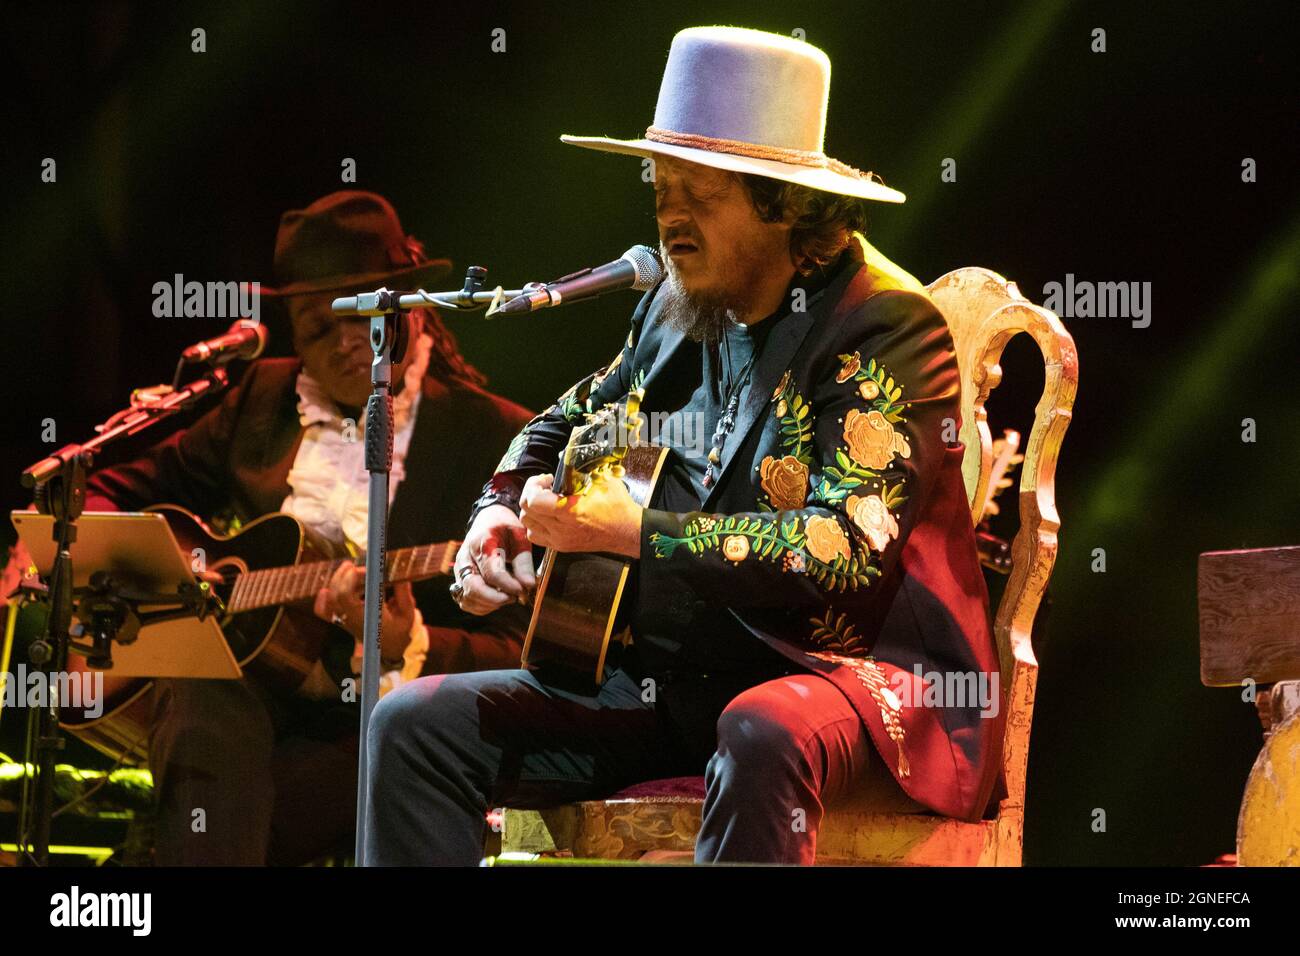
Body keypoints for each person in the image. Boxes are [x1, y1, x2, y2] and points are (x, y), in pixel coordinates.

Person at [365, 27, 1004, 866]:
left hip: (860, 683)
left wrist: (631, 533)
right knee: (413, 725)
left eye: (699, 195)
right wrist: (499, 506)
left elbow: (845, 547)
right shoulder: (678, 301)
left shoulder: (882, 324)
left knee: (760, 727)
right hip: (681, 683)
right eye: (661, 188)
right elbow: (567, 420)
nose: (671, 218)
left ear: (782, 204)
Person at [82, 190, 533, 864]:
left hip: (384, 722)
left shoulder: (494, 437)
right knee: (204, 687)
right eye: (318, 329)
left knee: (229, 820)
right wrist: (83, 546)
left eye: (365, 315)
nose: (347, 342)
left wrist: (409, 639)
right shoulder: (261, 399)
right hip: (248, 708)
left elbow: (521, 655)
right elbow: (119, 486)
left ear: (409, 299)